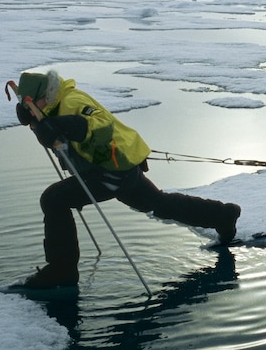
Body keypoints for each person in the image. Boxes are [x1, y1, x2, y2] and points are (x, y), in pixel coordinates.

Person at [14, 70, 241, 288]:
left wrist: (72, 126)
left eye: (31, 106)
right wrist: (35, 124)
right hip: (114, 166)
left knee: (54, 199)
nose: (31, 110)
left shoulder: (72, 101)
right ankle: (222, 215)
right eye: (27, 108)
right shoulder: (52, 106)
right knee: (157, 204)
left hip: (112, 170)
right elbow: (54, 135)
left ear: (44, 96)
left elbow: (100, 126)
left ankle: (62, 272)